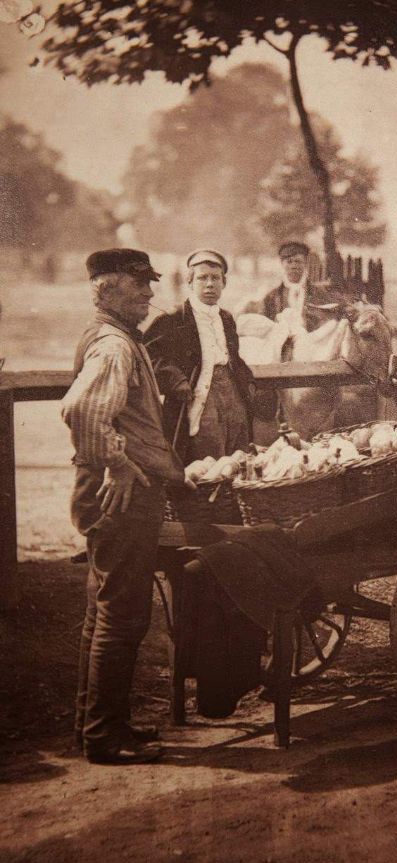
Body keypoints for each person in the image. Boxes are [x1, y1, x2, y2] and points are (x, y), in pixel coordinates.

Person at [62, 248, 188, 764]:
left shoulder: (114, 337)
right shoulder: (113, 345)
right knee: (122, 615)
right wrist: (116, 463)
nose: (149, 293)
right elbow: (83, 411)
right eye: (139, 285)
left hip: (113, 494)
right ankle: (103, 738)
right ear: (108, 288)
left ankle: (96, 727)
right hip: (121, 496)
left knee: (103, 611)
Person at [143, 249, 259, 462]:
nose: (209, 284)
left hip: (231, 393)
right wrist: (175, 379)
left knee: (238, 453)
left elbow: (232, 356)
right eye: (202, 278)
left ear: (224, 283)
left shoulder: (226, 318)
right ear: (190, 282)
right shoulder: (175, 317)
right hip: (197, 396)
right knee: (207, 457)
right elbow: (147, 353)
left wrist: (247, 381)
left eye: (215, 278)